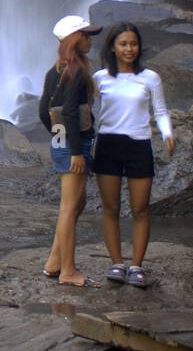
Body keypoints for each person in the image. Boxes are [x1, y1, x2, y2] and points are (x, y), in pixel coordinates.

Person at [92, 22, 175, 288]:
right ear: (113, 48)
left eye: (133, 44)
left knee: (140, 208)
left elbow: (160, 111)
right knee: (111, 207)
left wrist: (167, 133)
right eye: (124, 44)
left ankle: (137, 265)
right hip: (108, 144)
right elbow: (88, 111)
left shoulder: (150, 77)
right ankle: (117, 263)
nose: (129, 48)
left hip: (139, 145)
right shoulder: (100, 78)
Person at [38, 15, 104, 287]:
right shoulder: (76, 71)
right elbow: (68, 112)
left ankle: (54, 261)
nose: (90, 40)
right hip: (76, 144)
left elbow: (44, 112)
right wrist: (75, 151)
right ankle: (68, 271)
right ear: (75, 38)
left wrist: (58, 136)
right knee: (69, 207)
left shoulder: (54, 71)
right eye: (86, 35)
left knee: (78, 203)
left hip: (63, 141)